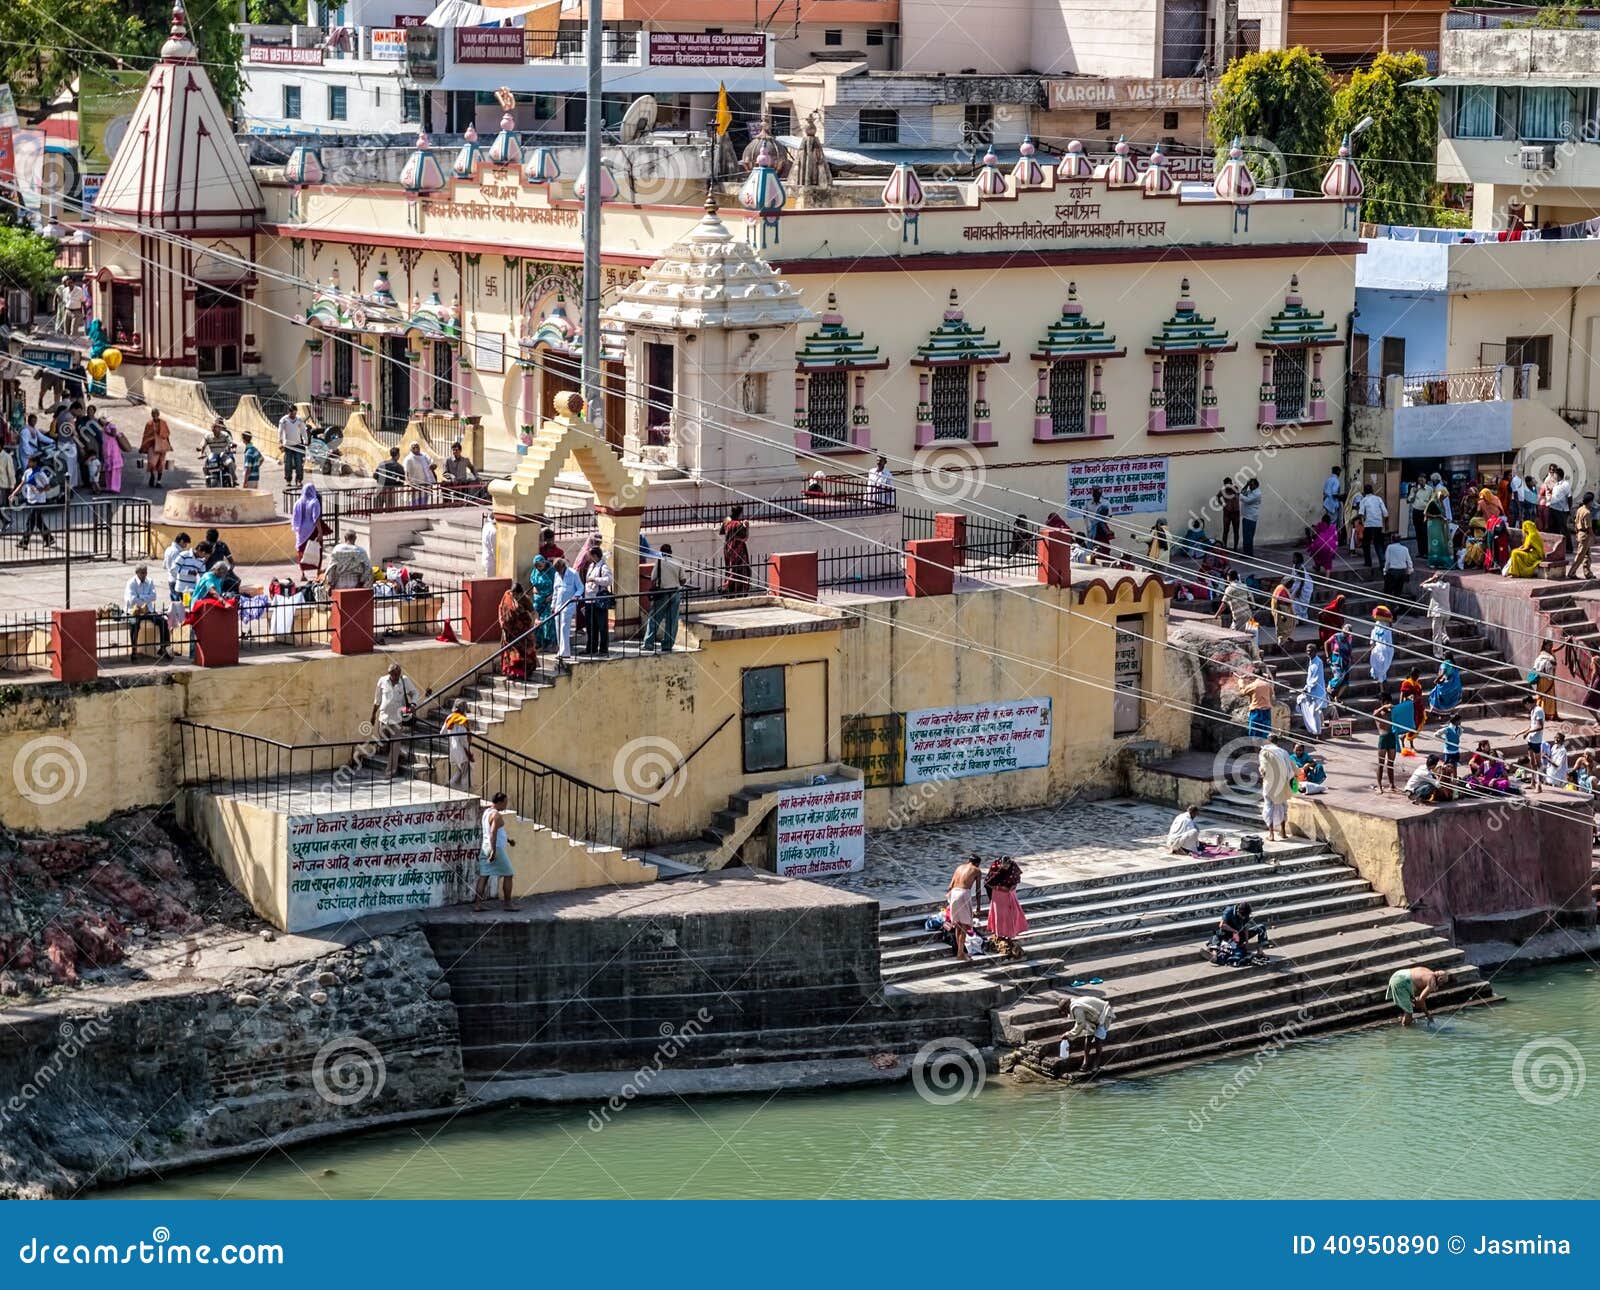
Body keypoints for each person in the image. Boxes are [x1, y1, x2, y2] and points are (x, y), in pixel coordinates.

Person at [371, 662, 425, 778]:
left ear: (400, 673)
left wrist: (413, 704)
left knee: (395, 745)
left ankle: (390, 771)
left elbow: (415, 693)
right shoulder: (382, 681)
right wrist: (373, 715)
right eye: (393, 675)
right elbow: (377, 699)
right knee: (384, 745)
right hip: (383, 717)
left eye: (397, 674)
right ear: (389, 673)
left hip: (397, 719)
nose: (395, 677)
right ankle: (400, 753)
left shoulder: (404, 681)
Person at [474, 792, 517, 912]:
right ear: (500, 802)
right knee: (508, 874)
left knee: (484, 876)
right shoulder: (496, 815)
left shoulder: (486, 812)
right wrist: (493, 851)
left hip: (485, 845)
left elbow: (492, 832)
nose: (506, 805)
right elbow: (493, 832)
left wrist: (508, 840)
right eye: (505, 802)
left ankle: (478, 905)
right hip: (496, 848)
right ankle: (507, 904)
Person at [121, 563, 173, 661]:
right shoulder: (131, 583)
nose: (144, 575)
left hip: (148, 611)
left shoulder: (150, 581)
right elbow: (132, 600)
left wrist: (140, 597)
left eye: (145, 572)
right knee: (134, 625)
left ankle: (163, 647)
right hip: (134, 611)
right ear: (137, 573)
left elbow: (154, 596)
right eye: (142, 573)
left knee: (163, 622)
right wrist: (146, 598)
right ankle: (134, 651)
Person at [642, 542, 682, 653]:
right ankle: (668, 645)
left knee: (655, 618)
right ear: (671, 552)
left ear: (661, 553)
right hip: (675, 593)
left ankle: (648, 643)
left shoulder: (659, 562)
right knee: (672, 620)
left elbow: (653, 578)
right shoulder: (677, 562)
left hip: (663, 594)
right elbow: (682, 580)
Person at [1058, 995, 1114, 1074]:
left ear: (1066, 1008)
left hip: (1103, 1014)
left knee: (1098, 1039)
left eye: (1064, 1012)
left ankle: (1096, 1063)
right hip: (1092, 1018)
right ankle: (1085, 1062)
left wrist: (1068, 1035)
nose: (1065, 1014)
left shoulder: (1076, 1008)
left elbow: (1080, 1024)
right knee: (1088, 1038)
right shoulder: (1074, 1006)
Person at [8, 455, 53, 548]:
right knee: (38, 522)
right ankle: (49, 539)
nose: (28, 463)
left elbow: (48, 487)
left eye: (30, 462)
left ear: (35, 462)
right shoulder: (27, 472)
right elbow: (22, 484)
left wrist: (41, 490)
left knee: (30, 522)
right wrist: (13, 494)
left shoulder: (40, 473)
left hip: (39, 501)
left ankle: (24, 542)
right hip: (30, 500)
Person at [1258, 737, 1296, 841]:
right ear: (1277, 742)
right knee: (1283, 806)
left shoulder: (1264, 752)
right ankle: (1283, 832)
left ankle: (1271, 835)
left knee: (1269, 807)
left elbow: (1263, 769)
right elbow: (1291, 767)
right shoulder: (1283, 752)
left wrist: (1263, 774)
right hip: (1282, 784)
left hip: (1269, 785)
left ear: (1267, 741)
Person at [947, 855, 982, 962]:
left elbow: (950, 886)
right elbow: (978, 890)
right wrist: (978, 907)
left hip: (953, 893)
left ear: (968, 861)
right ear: (977, 864)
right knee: (964, 926)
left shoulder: (959, 867)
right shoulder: (977, 870)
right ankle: (960, 954)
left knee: (957, 925)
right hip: (963, 894)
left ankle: (961, 952)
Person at [497, 582, 536, 678]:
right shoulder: (507, 596)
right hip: (509, 630)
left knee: (524, 652)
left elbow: (533, 612)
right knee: (510, 653)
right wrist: (502, 624)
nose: (515, 596)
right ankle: (511, 673)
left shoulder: (525, 599)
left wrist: (532, 625)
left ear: (521, 593)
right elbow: (501, 608)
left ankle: (524, 673)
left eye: (517, 595)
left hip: (522, 631)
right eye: (513, 594)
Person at [984, 856, 1028, 940]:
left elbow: (1016, 880)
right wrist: (998, 888)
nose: (1005, 868)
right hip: (998, 895)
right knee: (1000, 915)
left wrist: (1012, 887)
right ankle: (999, 933)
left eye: (1006, 866)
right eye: (1003, 866)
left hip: (1010, 893)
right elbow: (987, 882)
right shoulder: (995, 868)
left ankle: (1011, 932)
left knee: (1013, 913)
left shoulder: (1013, 868)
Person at [552, 557, 584, 664]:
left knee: (564, 626)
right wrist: (553, 605)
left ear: (563, 566)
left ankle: (565, 652)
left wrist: (576, 596)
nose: (558, 572)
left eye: (559, 569)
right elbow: (555, 591)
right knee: (558, 627)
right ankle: (560, 650)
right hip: (558, 604)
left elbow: (580, 587)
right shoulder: (556, 575)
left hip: (569, 604)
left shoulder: (573, 573)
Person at [291, 483, 327, 576]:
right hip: (312, 529)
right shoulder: (314, 502)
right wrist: (320, 531)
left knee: (302, 550)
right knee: (317, 550)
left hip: (301, 530)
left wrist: (297, 528)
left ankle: (303, 574)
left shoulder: (297, 502)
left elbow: (294, 517)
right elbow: (316, 518)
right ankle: (318, 571)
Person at [584, 548, 613, 655]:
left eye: (590, 555)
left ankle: (603, 649)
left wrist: (595, 579)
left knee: (602, 626)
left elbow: (609, 580)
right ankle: (591, 647)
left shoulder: (603, 567)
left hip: (598, 600)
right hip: (589, 600)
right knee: (591, 626)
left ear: (595, 556)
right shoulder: (592, 566)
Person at [1296, 643, 1328, 737]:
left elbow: (1315, 679)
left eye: (1310, 651)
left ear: (1315, 652)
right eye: (1307, 651)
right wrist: (1306, 688)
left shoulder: (1318, 662)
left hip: (1317, 692)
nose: (1308, 653)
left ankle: (1318, 734)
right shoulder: (1311, 661)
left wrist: (1306, 688)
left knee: (1314, 712)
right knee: (1301, 702)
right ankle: (1310, 724)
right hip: (1311, 691)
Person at [442, 700, 474, 790]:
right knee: (466, 771)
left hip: (452, 749)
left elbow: (442, 732)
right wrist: (467, 748)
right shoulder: (462, 720)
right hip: (460, 749)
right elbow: (463, 737)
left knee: (461, 770)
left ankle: (450, 784)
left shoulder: (450, 717)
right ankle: (465, 791)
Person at [720, 505, 752, 591]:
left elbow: (723, 532)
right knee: (740, 571)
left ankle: (728, 589)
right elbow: (745, 538)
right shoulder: (738, 524)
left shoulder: (726, 521)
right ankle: (733, 589)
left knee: (729, 569)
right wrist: (747, 527)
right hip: (738, 549)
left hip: (727, 548)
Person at [528, 553, 557, 652]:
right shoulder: (535, 572)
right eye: (536, 566)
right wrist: (534, 587)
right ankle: (538, 643)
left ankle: (549, 643)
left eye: (540, 565)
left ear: (544, 562)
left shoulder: (552, 571)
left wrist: (552, 595)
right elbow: (532, 582)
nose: (539, 568)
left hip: (549, 599)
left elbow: (557, 585)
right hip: (538, 600)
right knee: (536, 620)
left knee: (547, 621)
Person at [1420, 571, 1452, 657]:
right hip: (1447, 612)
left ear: (1436, 578)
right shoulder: (1447, 585)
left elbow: (1422, 585)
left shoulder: (1434, 586)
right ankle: (1446, 639)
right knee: (1442, 628)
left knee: (1436, 633)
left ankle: (1438, 653)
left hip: (1437, 612)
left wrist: (1431, 579)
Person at [1238, 666, 1274, 740]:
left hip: (1256, 711)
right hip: (1267, 711)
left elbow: (1241, 693)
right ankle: (1264, 748)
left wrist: (1241, 682)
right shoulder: (1268, 684)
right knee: (1266, 732)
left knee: (1254, 733)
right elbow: (1271, 693)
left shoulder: (1253, 685)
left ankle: (1256, 749)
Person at [1357, 484, 1388, 568]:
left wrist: (1361, 522)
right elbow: (1385, 513)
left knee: (1366, 544)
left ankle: (1368, 562)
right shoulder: (1378, 499)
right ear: (1372, 491)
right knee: (1379, 543)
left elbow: (1361, 514)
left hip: (1369, 525)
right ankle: (1382, 561)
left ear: (1364, 492)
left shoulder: (1363, 500)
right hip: (1378, 525)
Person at [139, 408, 172, 488]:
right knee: (151, 463)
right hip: (152, 446)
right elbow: (145, 436)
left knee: (161, 464)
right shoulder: (149, 424)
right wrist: (142, 446)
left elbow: (167, 434)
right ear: (151, 415)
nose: (154, 416)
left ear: (158, 414)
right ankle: (152, 475)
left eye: (156, 414)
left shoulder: (163, 423)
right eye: (153, 414)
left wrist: (169, 444)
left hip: (162, 447)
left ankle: (159, 481)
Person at [277, 404, 308, 487]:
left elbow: (303, 431)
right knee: (288, 464)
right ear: (289, 412)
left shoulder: (299, 420)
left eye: (295, 413)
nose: (293, 415)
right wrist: (279, 441)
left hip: (297, 444)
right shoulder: (283, 420)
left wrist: (305, 440)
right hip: (288, 445)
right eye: (292, 413)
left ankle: (299, 480)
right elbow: (280, 431)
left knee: (299, 463)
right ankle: (288, 480)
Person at [1567, 490, 1594, 579]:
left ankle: (1588, 573)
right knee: (1580, 556)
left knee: (1587, 555)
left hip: (1580, 533)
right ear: (1590, 502)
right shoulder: (1587, 512)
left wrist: (1576, 533)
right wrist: (1594, 537)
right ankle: (1571, 572)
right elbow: (1589, 527)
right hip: (1585, 535)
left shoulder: (1580, 509)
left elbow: (1575, 522)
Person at [1369, 605, 1395, 694]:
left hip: (1376, 651)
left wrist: (1371, 652)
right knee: (1383, 672)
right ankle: (1382, 691)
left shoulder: (1374, 630)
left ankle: (1382, 691)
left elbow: (1372, 643)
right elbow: (1390, 643)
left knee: (1380, 672)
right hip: (1386, 651)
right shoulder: (1388, 630)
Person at [1525, 693, 1548, 793]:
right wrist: (1520, 733)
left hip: (1536, 741)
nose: (1526, 707)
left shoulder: (1538, 710)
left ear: (1528, 703)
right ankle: (1532, 783)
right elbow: (1531, 726)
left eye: (1525, 705)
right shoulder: (1532, 711)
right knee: (1532, 762)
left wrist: (1528, 732)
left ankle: (1539, 785)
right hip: (1530, 740)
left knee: (1538, 764)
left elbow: (1540, 726)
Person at [1374, 700, 1399, 793]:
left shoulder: (1391, 713)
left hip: (1391, 737)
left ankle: (1391, 784)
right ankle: (1379, 785)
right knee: (1381, 763)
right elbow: (1374, 715)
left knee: (1391, 763)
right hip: (1383, 738)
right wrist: (1383, 707)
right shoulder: (1378, 712)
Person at [1381, 530, 1414, 599]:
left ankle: (1389, 606)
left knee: (1388, 592)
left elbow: (1387, 561)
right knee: (1398, 592)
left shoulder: (1390, 547)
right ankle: (1397, 607)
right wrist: (1409, 571)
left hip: (1392, 571)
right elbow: (1409, 561)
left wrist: (1385, 571)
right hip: (1402, 572)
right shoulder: (1405, 548)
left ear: (1392, 540)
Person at [1532, 639, 1560, 720]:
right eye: (1549, 645)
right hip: (1544, 679)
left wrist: (1566, 643)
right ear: (1544, 645)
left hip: (1551, 678)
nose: (1550, 646)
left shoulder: (1551, 652)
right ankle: (1541, 713)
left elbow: (1557, 649)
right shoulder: (1542, 655)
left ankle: (1552, 714)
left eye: (1552, 644)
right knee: (1543, 695)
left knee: (1551, 696)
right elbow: (1538, 667)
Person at [1270, 579, 1297, 653]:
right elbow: (1278, 601)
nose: (1291, 586)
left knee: (1285, 629)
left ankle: (1284, 640)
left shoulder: (1282, 588)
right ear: (1287, 583)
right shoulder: (1281, 589)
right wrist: (1282, 615)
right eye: (1291, 584)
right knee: (1282, 631)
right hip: (1282, 613)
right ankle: (1279, 649)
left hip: (1285, 611)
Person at [1088, 486, 1114, 561]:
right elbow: (1107, 532)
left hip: (1094, 538)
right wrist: (1110, 532)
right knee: (1103, 552)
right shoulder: (1100, 521)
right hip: (1100, 540)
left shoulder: (1097, 520)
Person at [1239, 477, 1262, 556]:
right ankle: (1246, 552)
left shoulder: (1257, 493)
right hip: (1246, 516)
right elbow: (1243, 492)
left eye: (1251, 485)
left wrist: (1239, 495)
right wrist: (1246, 484)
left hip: (1250, 517)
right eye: (1250, 485)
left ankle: (1248, 553)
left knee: (1248, 536)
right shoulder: (1251, 491)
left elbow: (1246, 500)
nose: (1250, 486)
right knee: (1246, 536)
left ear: (1256, 485)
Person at [1218, 477, 1241, 550]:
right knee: (1225, 530)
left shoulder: (1235, 488)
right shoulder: (1223, 490)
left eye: (1229, 484)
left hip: (1236, 512)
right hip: (1227, 512)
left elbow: (1237, 493)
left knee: (1236, 530)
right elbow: (1218, 496)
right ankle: (1224, 547)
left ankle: (1235, 548)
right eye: (1226, 484)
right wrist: (1222, 504)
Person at [479, 509, 498, 576]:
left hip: (485, 558)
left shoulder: (486, 526)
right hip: (491, 562)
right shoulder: (494, 531)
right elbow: (494, 549)